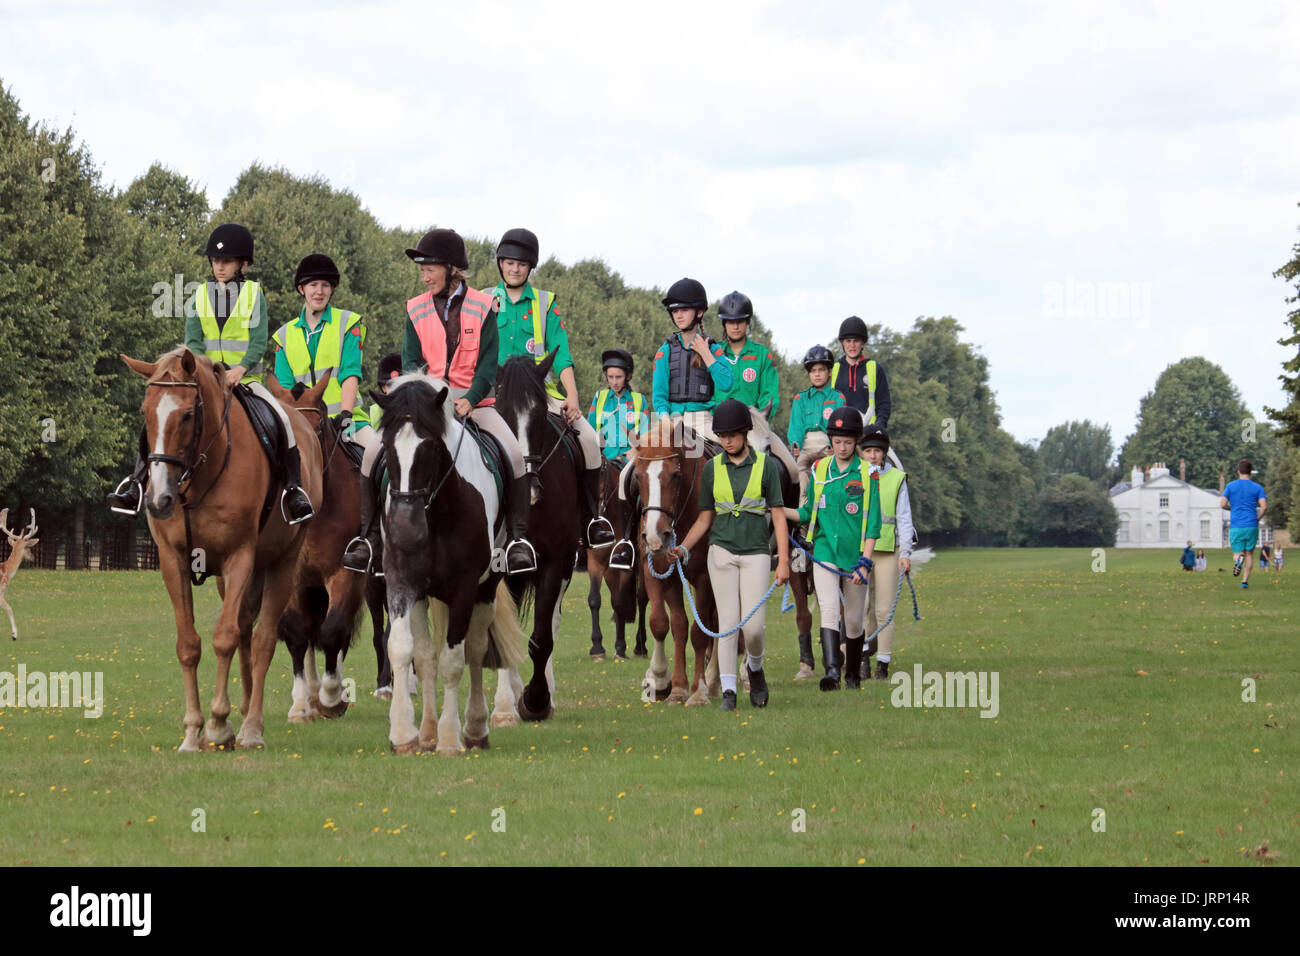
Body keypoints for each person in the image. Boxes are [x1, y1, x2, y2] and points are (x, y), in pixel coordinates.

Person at [342, 228, 536, 575]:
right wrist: (420, 403)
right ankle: (369, 538)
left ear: (451, 269)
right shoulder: (415, 309)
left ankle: (517, 541)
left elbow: (489, 363)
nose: (424, 275)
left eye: (430, 268)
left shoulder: (483, 305)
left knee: (515, 456)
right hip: (427, 404)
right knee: (372, 456)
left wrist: (471, 400)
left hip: (476, 403)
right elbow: (411, 363)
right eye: (422, 269)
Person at [107, 223, 314, 524]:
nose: (220, 266)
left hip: (244, 380)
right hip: (203, 381)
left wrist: (241, 368)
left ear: (242, 264)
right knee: (159, 419)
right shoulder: (199, 295)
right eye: (216, 261)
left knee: (281, 419)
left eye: (227, 261)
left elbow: (258, 338)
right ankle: (137, 484)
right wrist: (202, 371)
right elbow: (192, 341)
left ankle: (293, 490)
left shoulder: (255, 294)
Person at [489, 228, 613, 549]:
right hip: (493, 394)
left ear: (531, 267)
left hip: (538, 393)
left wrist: (571, 395)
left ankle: (591, 519)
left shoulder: (546, 303)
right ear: (500, 264)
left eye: (521, 264)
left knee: (587, 438)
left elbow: (562, 354)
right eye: (509, 263)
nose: (514, 269)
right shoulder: (483, 299)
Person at [669, 399, 790, 712]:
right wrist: (684, 546)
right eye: (722, 435)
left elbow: (778, 515)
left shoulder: (766, 467)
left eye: (733, 435)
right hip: (721, 551)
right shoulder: (711, 468)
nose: (727, 440)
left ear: (746, 433)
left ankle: (756, 666)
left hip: (756, 553)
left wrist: (785, 562)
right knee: (727, 625)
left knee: (754, 629)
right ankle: (729, 693)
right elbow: (704, 519)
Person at [784, 407, 880, 692]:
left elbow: (873, 523)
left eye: (848, 442)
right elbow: (806, 512)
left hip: (854, 554)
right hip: (824, 549)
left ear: (856, 442)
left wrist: (865, 561)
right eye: (837, 441)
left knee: (853, 619)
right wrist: (778, 510)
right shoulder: (819, 469)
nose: (842, 447)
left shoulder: (868, 473)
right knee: (827, 608)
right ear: (831, 440)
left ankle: (852, 674)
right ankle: (831, 673)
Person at [271, 254, 368, 441]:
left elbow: (350, 372)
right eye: (313, 285)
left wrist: (346, 414)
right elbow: (285, 388)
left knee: (378, 456)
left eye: (325, 285)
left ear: (331, 289)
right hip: (302, 424)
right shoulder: (283, 335)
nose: (319, 291)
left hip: (347, 420)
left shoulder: (348, 323)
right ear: (301, 289)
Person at [711, 291, 798, 480]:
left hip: (754, 429)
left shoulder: (761, 354)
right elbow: (707, 394)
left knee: (793, 471)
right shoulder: (713, 353)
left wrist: (756, 421)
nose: (735, 326)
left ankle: (788, 509)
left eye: (740, 321)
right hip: (719, 429)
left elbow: (770, 396)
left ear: (748, 322)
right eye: (730, 321)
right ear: (724, 323)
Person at [858, 424, 914, 680]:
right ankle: (863, 657)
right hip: (860, 551)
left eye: (877, 451)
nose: (872, 455)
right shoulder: (855, 476)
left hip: (888, 551)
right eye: (868, 450)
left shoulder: (897, 479)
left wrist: (906, 552)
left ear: (884, 453)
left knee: (884, 610)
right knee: (861, 607)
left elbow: (904, 517)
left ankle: (883, 662)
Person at [650, 277, 734, 442]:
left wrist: (706, 354)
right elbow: (659, 396)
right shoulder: (664, 352)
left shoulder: (712, 348)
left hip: (702, 421)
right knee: (640, 457)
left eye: (684, 310)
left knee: (729, 453)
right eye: (675, 311)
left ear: (699, 312)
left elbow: (726, 383)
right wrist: (664, 418)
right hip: (671, 420)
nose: (679, 316)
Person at [787, 345, 846, 504]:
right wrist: (795, 445)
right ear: (809, 374)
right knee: (798, 473)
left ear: (829, 371)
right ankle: (802, 516)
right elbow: (796, 427)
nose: (817, 374)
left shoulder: (838, 398)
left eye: (821, 369)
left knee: (837, 474)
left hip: (829, 446)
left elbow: (839, 428)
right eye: (813, 371)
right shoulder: (801, 399)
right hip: (806, 447)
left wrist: (832, 446)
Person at [1220, 459, 1267, 589]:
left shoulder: (1230, 486)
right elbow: (1264, 507)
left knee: (1238, 553)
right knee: (1250, 554)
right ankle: (1244, 582)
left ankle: (1238, 560)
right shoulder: (1257, 487)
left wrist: (1232, 508)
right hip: (1251, 525)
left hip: (1236, 525)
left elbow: (1222, 504)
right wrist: (1257, 518)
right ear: (1250, 472)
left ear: (1238, 471)